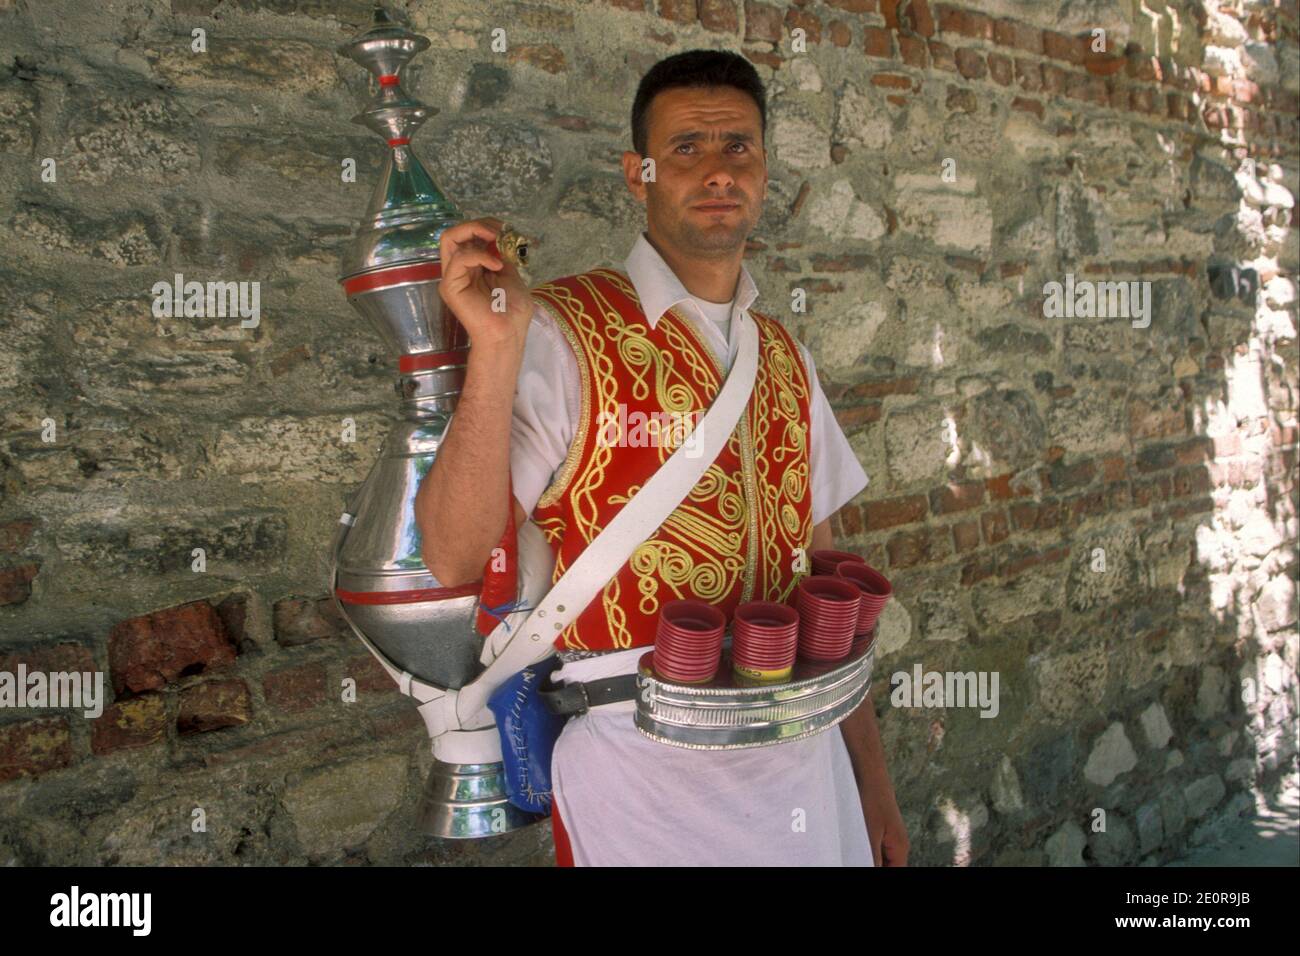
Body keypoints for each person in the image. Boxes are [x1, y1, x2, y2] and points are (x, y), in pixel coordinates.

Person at [415, 49, 908, 867]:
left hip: (806, 766)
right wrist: (496, 350)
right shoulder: (559, 331)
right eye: (686, 148)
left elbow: (823, 584)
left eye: (738, 147)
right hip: (641, 775)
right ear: (636, 173)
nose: (717, 170)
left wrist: (875, 783)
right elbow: (455, 556)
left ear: (764, 168)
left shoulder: (787, 359)